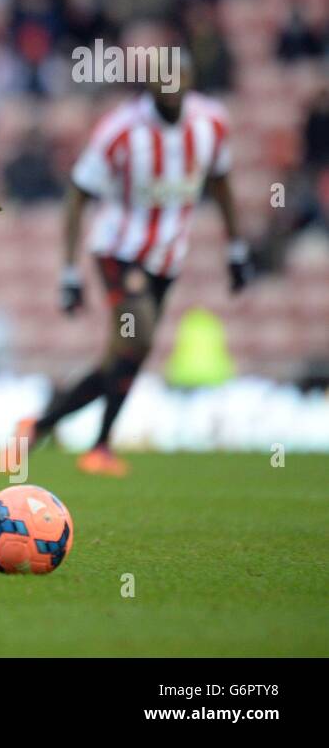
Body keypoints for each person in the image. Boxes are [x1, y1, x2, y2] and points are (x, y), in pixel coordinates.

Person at [20, 37, 254, 476]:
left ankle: (39, 427)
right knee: (139, 338)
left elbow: (221, 183)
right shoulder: (121, 129)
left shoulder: (211, 123)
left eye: (176, 75)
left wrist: (236, 249)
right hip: (119, 251)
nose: (168, 84)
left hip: (168, 258)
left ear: (190, 79)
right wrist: (69, 271)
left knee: (121, 357)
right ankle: (100, 447)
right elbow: (77, 193)